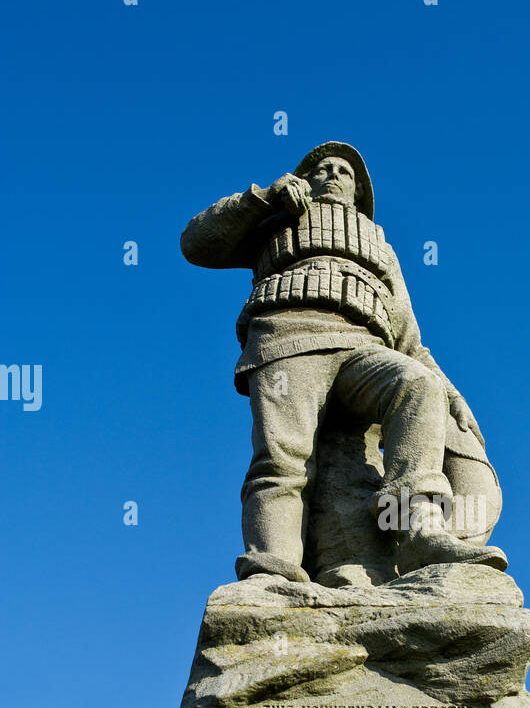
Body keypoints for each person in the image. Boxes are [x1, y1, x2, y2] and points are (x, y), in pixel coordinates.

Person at [180, 141, 507, 582]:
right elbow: (197, 243)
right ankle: (272, 570)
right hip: (287, 342)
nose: (332, 174)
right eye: (321, 168)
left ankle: (418, 531)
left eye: (344, 171)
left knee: (415, 385)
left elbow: (409, 337)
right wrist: (263, 198)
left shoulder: (381, 248)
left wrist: (451, 393)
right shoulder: (274, 221)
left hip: (363, 346)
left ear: (359, 193)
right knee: (283, 460)